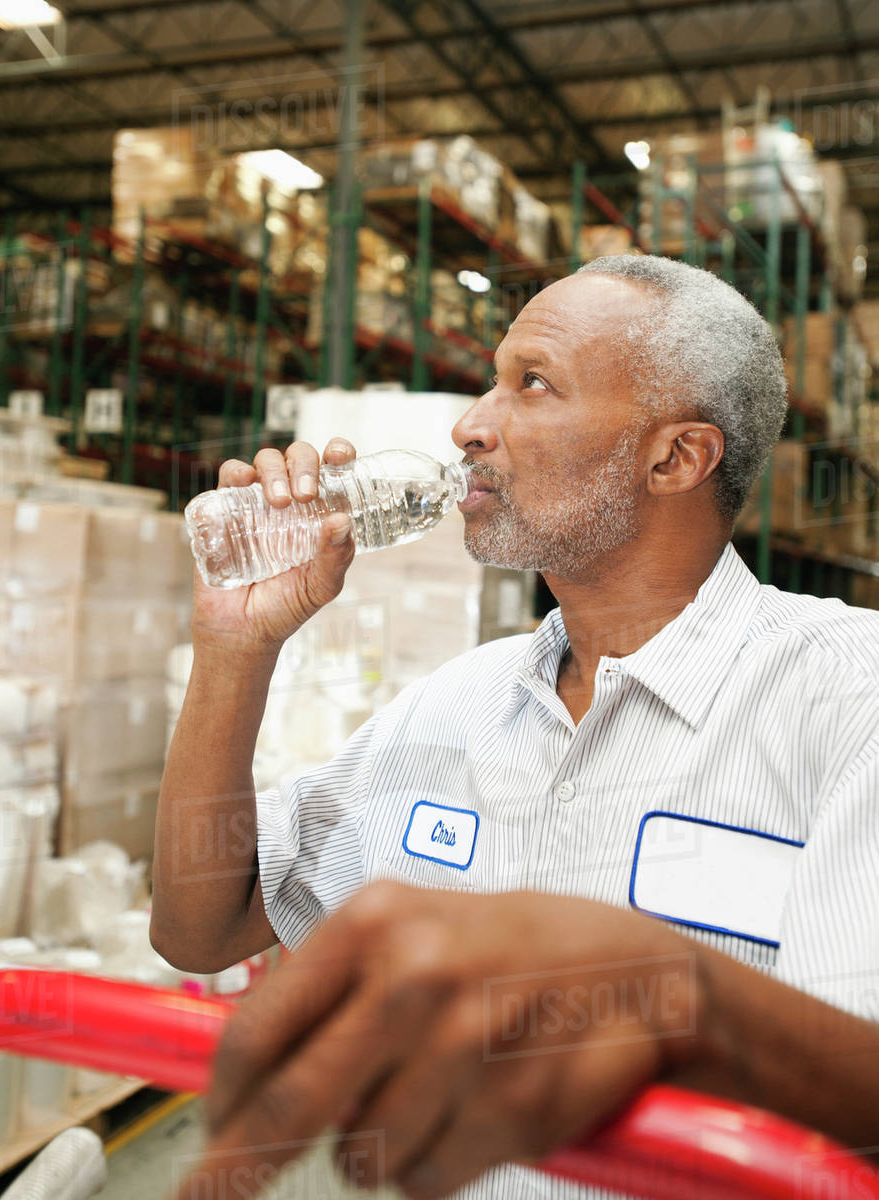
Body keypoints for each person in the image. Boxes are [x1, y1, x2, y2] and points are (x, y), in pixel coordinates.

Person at [154, 255, 879, 1199]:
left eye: (531, 384)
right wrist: (234, 649)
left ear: (678, 457)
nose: (468, 426)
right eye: (493, 380)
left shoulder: (850, 694)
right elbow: (199, 927)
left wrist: (672, 989)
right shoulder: (457, 700)